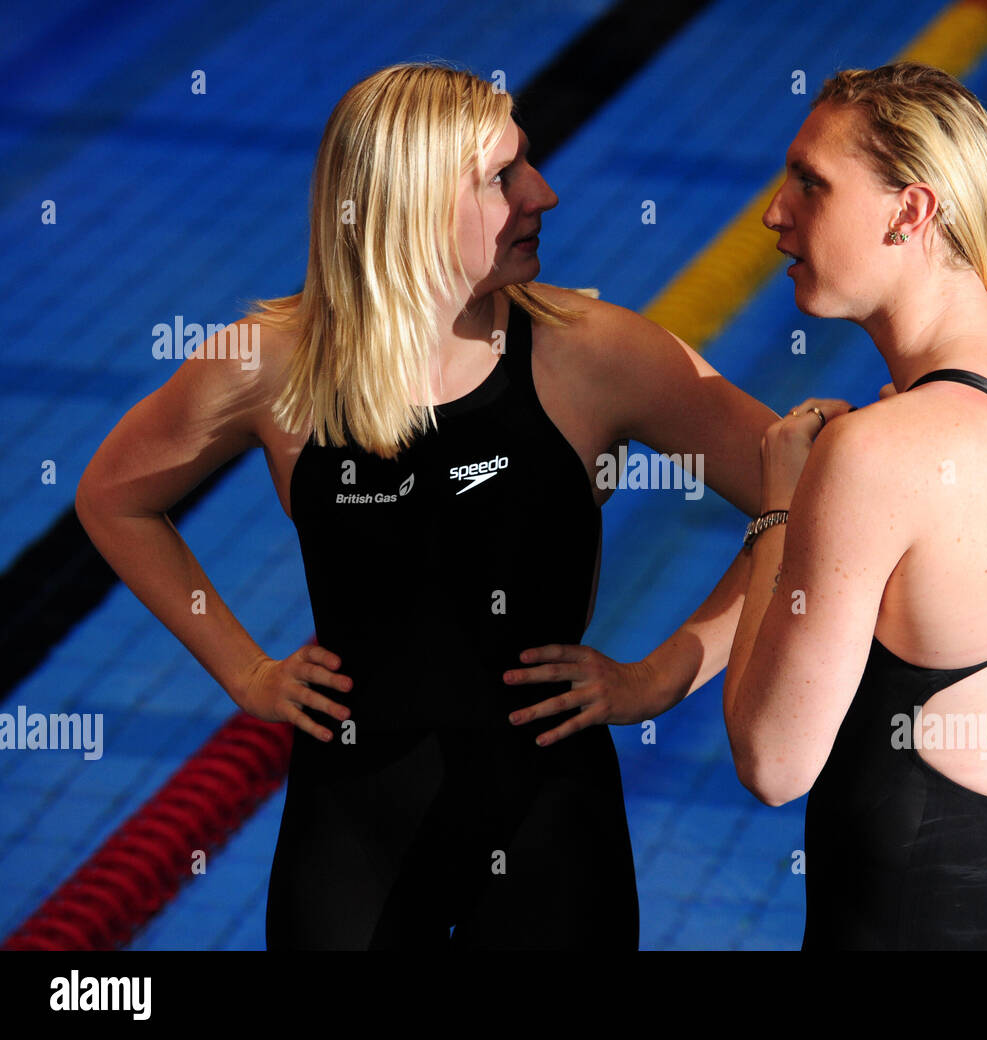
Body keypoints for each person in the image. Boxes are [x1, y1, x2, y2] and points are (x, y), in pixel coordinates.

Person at [74, 61, 777, 949]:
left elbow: (799, 499)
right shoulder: (273, 364)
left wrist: (667, 671)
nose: (545, 194)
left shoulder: (595, 355)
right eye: (502, 177)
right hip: (353, 828)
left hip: (547, 824)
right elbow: (115, 501)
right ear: (409, 205)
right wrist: (245, 670)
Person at [722, 62, 987, 950]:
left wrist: (780, 509)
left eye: (811, 182)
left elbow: (773, 761)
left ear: (910, 212)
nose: (775, 212)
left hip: (916, 912)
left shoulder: (875, 454)